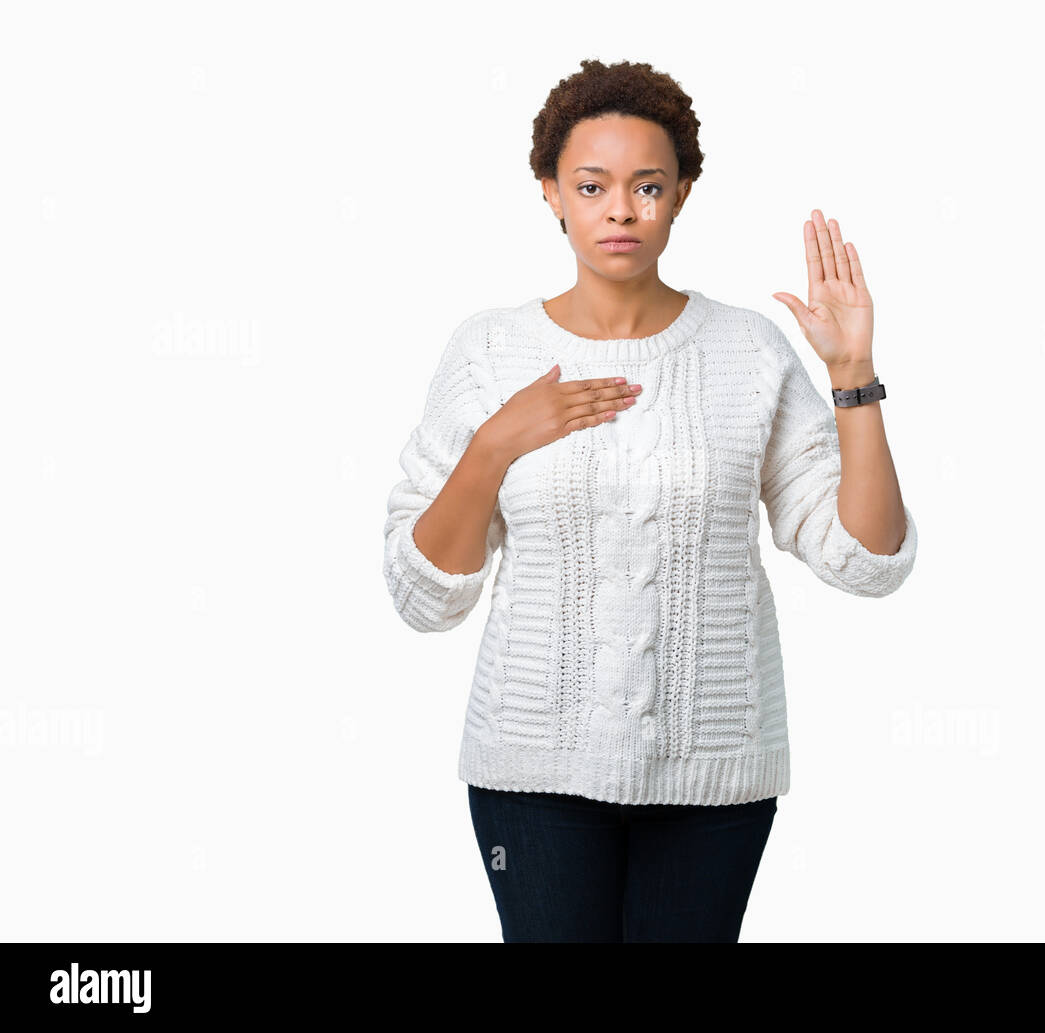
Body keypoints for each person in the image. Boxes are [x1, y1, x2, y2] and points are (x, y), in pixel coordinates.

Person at [381, 59, 918, 942]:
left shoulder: (749, 350)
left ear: (683, 194)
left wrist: (852, 377)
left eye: (648, 186)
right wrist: (493, 446)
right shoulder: (489, 350)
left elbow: (865, 559)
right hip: (532, 779)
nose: (621, 210)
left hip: (715, 780)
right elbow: (421, 594)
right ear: (550, 192)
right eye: (591, 186)